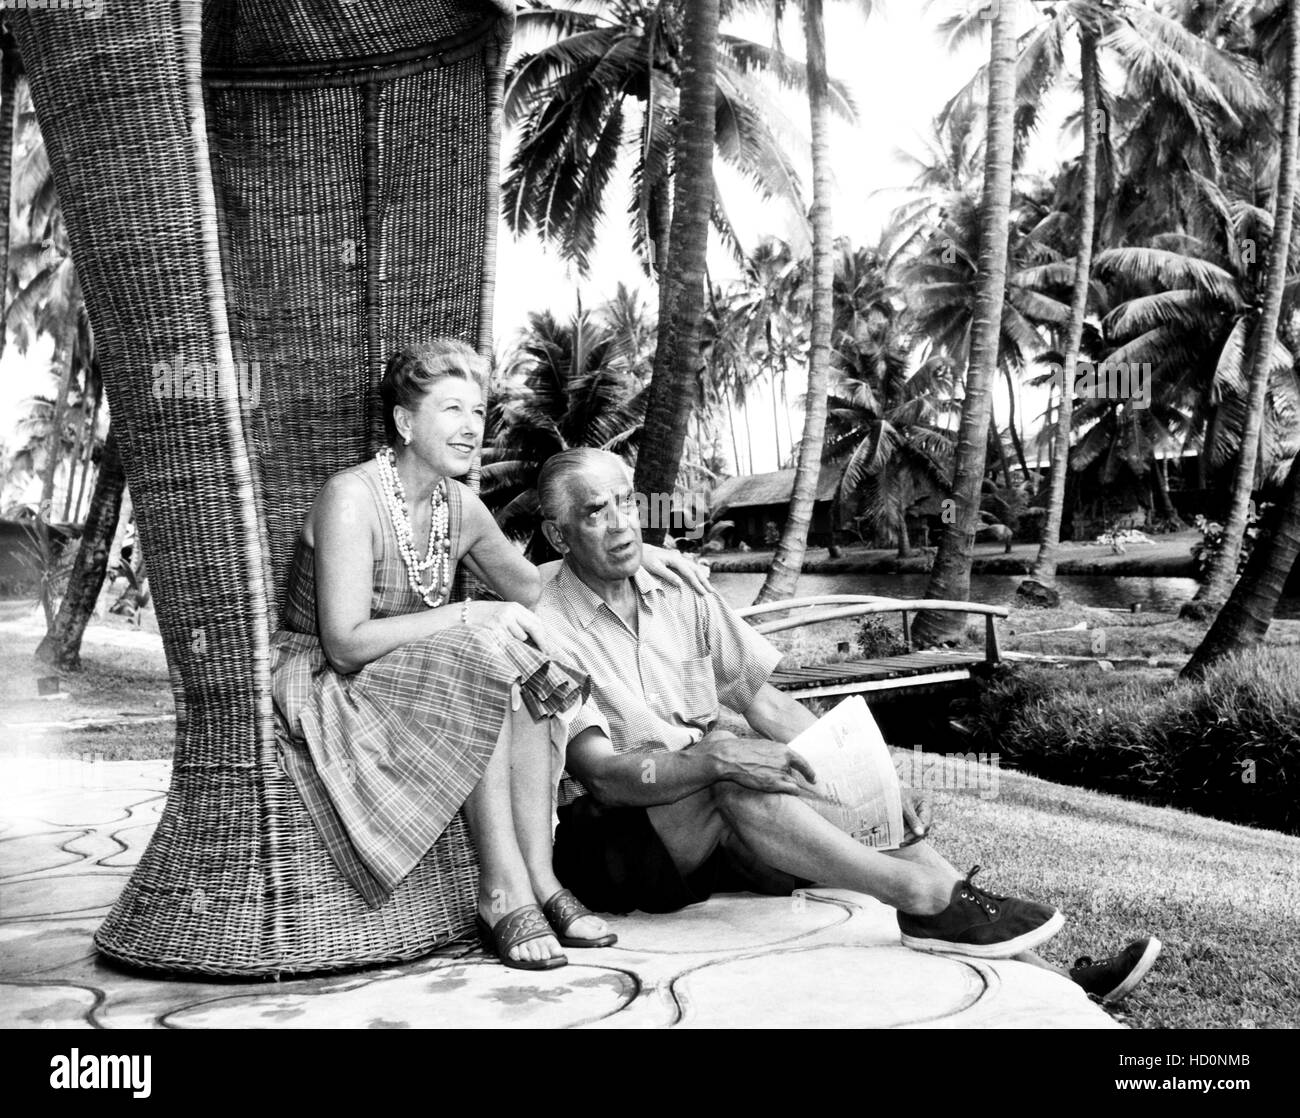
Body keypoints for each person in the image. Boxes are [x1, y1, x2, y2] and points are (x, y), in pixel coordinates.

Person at [533, 448, 1162, 1004]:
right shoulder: (544, 623)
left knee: (834, 782)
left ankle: (1055, 976)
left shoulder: (678, 592)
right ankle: (923, 898)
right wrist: (719, 759)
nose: (620, 525)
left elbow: (768, 704)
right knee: (731, 766)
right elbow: (605, 778)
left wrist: (869, 776)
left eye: (625, 503)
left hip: (714, 829)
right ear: (559, 537)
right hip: (616, 841)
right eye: (595, 513)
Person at [271, 341, 678, 971]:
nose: (470, 426)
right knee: (484, 646)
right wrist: (468, 613)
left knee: (517, 660)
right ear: (406, 423)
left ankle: (542, 882)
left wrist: (634, 553)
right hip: (327, 677)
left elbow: (531, 585)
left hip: (413, 671)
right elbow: (344, 644)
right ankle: (500, 892)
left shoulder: (457, 506)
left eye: (479, 410)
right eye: (451, 408)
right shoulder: (351, 499)